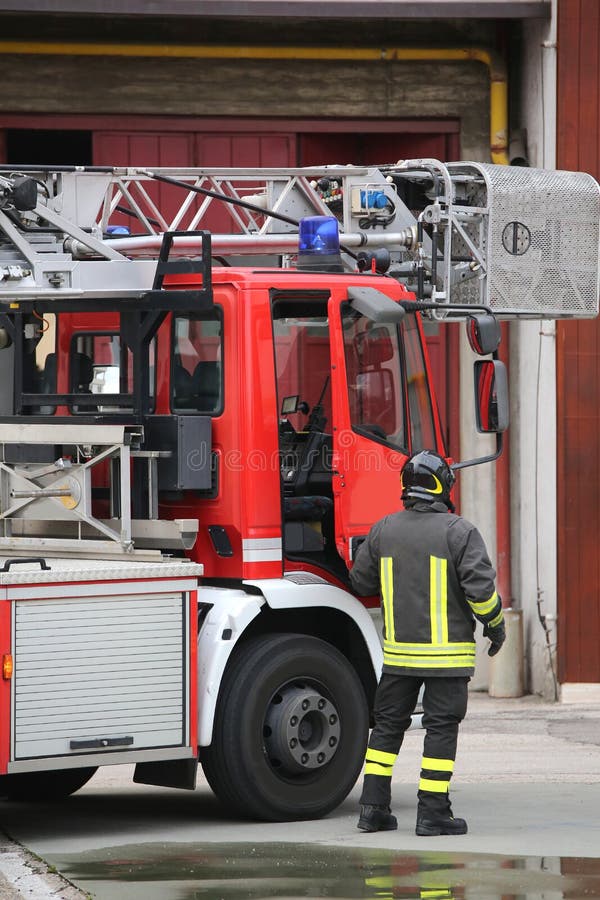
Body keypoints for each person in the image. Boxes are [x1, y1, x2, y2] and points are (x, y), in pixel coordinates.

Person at [349, 449, 505, 836]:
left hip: (399, 657)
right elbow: (481, 594)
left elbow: (362, 583)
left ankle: (372, 810)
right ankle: (433, 813)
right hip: (447, 659)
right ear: (443, 486)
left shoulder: (383, 528)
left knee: (386, 729)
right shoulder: (460, 531)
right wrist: (496, 626)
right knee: (440, 730)